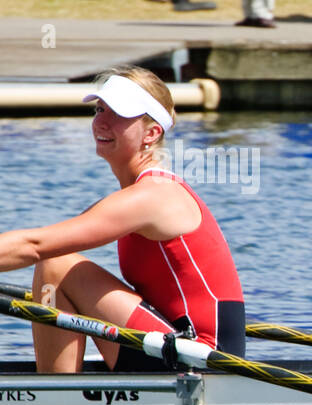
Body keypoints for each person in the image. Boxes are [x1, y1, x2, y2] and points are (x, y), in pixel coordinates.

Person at [0, 66, 244, 372]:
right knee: (53, 272)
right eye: (100, 109)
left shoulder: (153, 196)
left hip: (204, 357)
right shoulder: (134, 196)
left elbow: (35, 246)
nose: (101, 121)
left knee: (55, 264)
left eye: (118, 113)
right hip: (174, 344)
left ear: (152, 133)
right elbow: (44, 241)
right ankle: (55, 390)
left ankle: (55, 397)